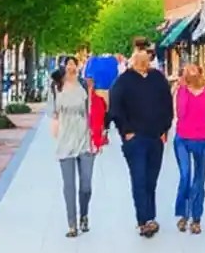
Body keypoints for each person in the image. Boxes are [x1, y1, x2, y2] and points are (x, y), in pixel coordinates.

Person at [108, 50, 175, 237]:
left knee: (150, 180)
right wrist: (125, 131)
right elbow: (115, 107)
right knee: (139, 179)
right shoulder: (124, 81)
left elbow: (168, 105)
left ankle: (150, 217)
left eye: (146, 60)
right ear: (133, 61)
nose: (143, 63)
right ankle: (143, 220)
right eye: (140, 60)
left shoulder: (158, 79)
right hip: (135, 140)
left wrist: (165, 129)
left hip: (156, 137)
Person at [48, 58, 97, 237]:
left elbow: (94, 110)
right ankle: (72, 224)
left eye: (73, 64)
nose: (71, 67)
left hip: (84, 138)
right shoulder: (56, 88)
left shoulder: (84, 86)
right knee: (69, 185)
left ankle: (84, 215)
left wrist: (97, 135)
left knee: (86, 185)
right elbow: (52, 113)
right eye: (67, 64)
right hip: (65, 139)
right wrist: (55, 130)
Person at [174, 63, 205, 234]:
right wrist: (182, 90)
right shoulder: (180, 92)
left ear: (200, 74)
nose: (191, 75)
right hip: (183, 138)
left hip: (203, 139)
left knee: (199, 179)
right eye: (187, 73)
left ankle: (196, 217)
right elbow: (180, 113)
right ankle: (183, 213)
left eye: (193, 72)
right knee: (185, 175)